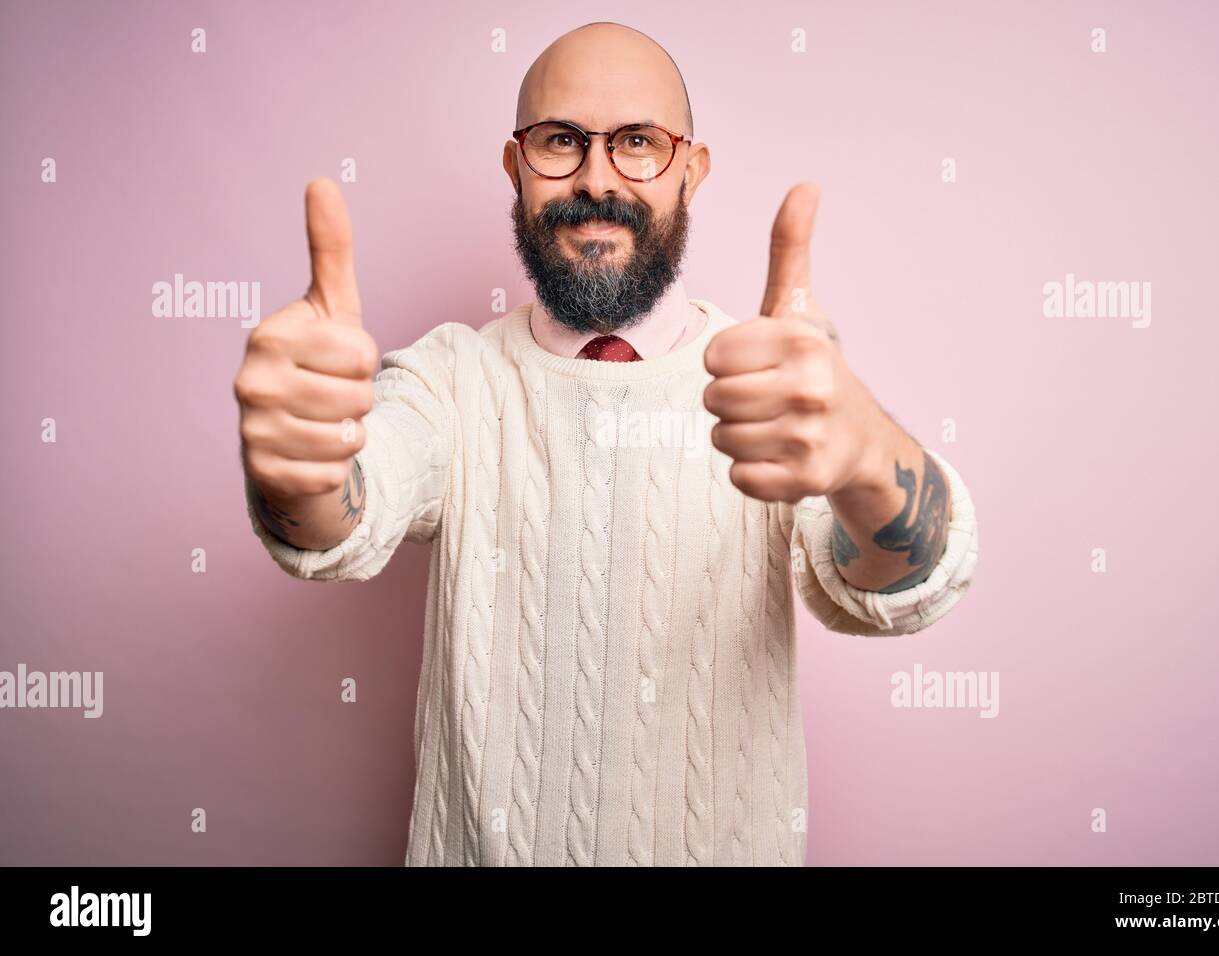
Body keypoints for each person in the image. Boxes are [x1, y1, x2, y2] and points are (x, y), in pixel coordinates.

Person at [233, 21, 978, 866]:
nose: (596, 179)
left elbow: (905, 580)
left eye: (637, 143)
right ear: (515, 170)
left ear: (690, 171)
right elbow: (343, 517)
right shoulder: (452, 378)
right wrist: (298, 463)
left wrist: (869, 458)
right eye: (559, 142)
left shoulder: (772, 388)